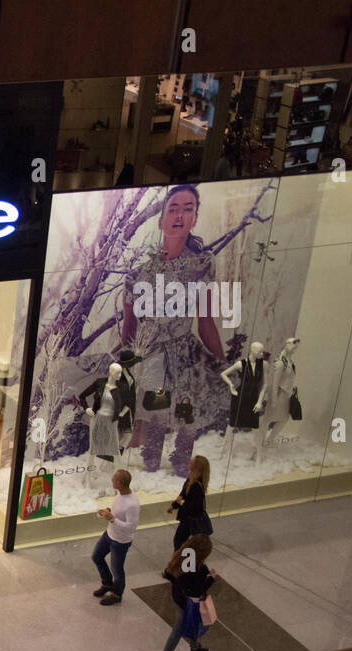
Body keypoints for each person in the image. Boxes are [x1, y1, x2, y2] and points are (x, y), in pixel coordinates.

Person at [120, 185, 226, 475]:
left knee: (187, 414)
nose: (180, 215)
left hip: (185, 353)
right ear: (161, 219)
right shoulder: (139, 274)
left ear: (195, 217)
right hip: (152, 356)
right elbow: (129, 328)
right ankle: (151, 462)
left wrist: (221, 365)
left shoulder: (201, 265)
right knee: (156, 413)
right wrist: (126, 368)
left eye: (188, 208)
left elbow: (205, 321)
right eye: (174, 208)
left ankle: (181, 463)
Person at [155, 533, 216, 651]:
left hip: (178, 598)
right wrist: (211, 578)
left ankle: (195, 649)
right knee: (180, 630)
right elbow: (198, 590)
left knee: (189, 625)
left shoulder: (181, 557)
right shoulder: (200, 569)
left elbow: (169, 574)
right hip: (189, 603)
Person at [92, 469, 140, 606]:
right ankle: (107, 584)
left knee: (117, 569)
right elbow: (118, 515)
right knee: (96, 556)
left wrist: (112, 519)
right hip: (109, 534)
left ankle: (117, 594)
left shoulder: (132, 504)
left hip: (120, 541)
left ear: (119, 482)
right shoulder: (120, 494)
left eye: (113, 479)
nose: (111, 480)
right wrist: (108, 512)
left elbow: (131, 527)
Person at [168, 454, 213, 551]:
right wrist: (174, 505)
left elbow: (195, 506)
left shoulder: (196, 485)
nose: (189, 463)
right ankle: (180, 561)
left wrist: (181, 502)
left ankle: (180, 561)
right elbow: (183, 494)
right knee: (180, 541)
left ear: (197, 467)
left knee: (179, 541)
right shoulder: (191, 479)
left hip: (190, 520)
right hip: (187, 518)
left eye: (191, 462)